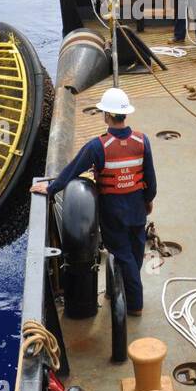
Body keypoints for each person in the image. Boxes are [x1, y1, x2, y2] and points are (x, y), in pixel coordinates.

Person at [31, 86, 155, 315]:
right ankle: (128, 289)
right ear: (125, 114)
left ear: (107, 115)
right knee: (135, 254)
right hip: (138, 211)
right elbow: (151, 179)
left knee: (124, 256)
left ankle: (135, 304)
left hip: (113, 214)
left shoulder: (98, 146)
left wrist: (50, 188)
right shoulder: (142, 141)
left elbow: (71, 171)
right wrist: (148, 201)